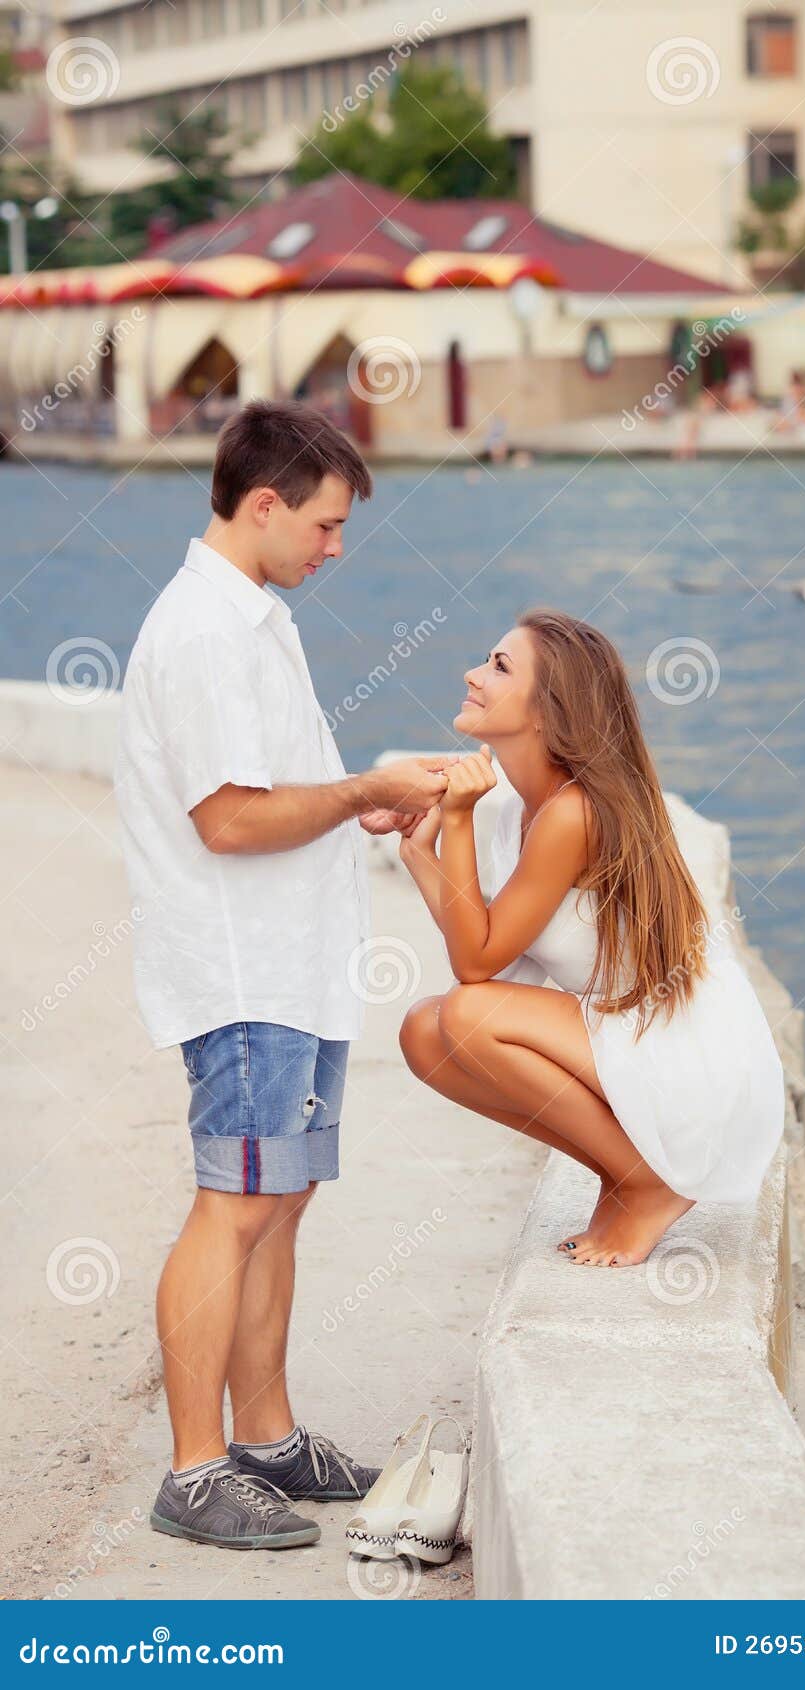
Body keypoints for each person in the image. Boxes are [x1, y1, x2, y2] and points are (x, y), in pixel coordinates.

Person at [115, 399, 449, 1551]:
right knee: (236, 1202)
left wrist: (355, 805)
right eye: (325, 524)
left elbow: (272, 795)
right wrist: (362, 790)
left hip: (292, 968)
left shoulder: (254, 616)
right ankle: (193, 1469)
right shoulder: (205, 633)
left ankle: (263, 1438)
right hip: (244, 972)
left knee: (280, 1199)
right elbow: (227, 820)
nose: (335, 546)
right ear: (264, 505)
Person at [397, 611, 785, 1268]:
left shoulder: (573, 813)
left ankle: (648, 1184)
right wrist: (418, 851)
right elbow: (490, 949)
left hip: (687, 1053)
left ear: (547, 711)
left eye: (499, 667)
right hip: (631, 1035)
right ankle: (624, 1174)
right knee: (422, 1033)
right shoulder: (522, 808)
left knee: (463, 1014)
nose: (472, 674)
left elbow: (475, 964)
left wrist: (457, 819)